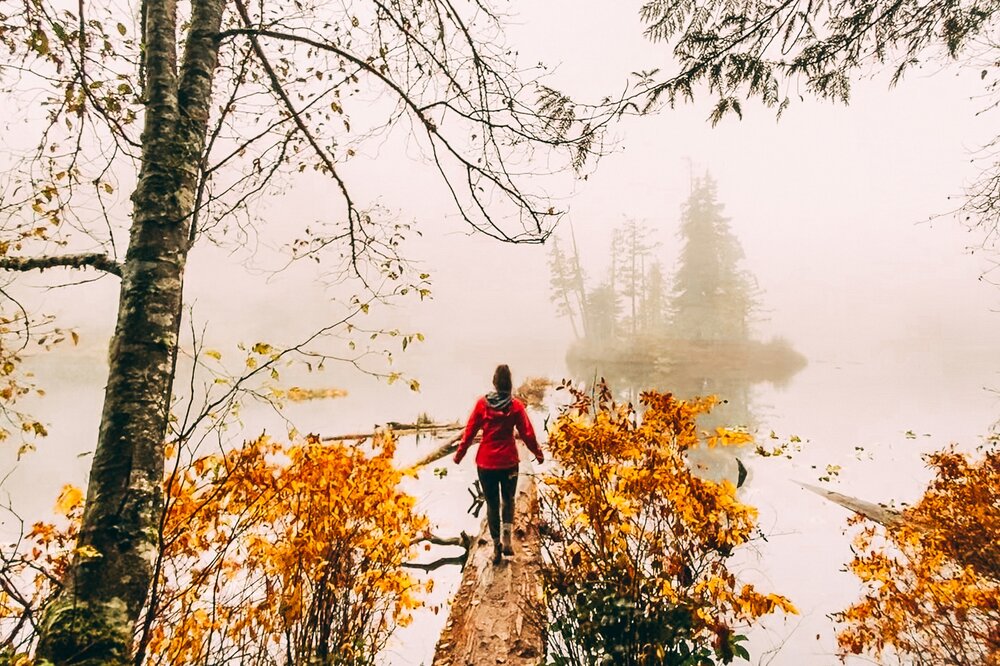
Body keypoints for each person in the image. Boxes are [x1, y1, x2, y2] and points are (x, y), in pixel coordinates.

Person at [453, 364, 544, 564]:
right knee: (508, 500)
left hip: (486, 464)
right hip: (509, 462)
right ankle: (506, 537)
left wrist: (459, 454)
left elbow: (469, 432)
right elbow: (527, 433)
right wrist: (538, 453)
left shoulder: (482, 404)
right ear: (510, 384)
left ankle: (496, 546)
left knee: (492, 504)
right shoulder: (515, 406)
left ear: (494, 383)